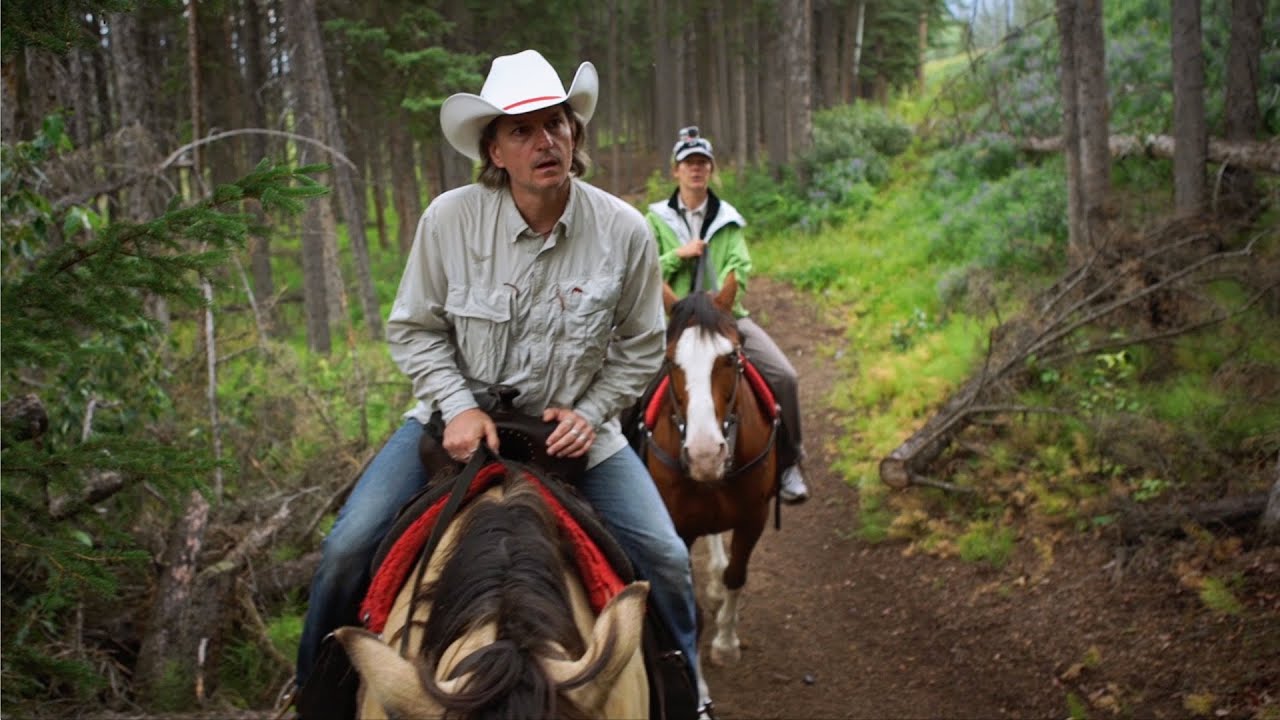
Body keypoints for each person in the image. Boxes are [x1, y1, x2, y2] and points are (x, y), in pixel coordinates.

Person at [294, 49, 712, 719]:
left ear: (576, 135)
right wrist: (457, 406)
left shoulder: (625, 231)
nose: (544, 141)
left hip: (575, 429)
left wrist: (594, 409)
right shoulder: (448, 221)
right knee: (347, 547)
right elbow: (413, 330)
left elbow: (639, 346)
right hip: (452, 423)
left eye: (555, 123)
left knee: (664, 555)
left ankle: (689, 698)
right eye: (521, 129)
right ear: (493, 149)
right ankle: (310, 694)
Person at [645, 126, 811, 503]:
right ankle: (630, 474)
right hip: (672, 322)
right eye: (689, 163)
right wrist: (678, 256)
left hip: (724, 317)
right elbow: (645, 267)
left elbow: (740, 267)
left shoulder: (729, 221)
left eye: (703, 162)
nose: (696, 169)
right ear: (676, 171)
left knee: (785, 375)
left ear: (711, 169)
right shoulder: (654, 221)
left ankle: (789, 463)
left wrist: (717, 304)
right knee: (631, 390)